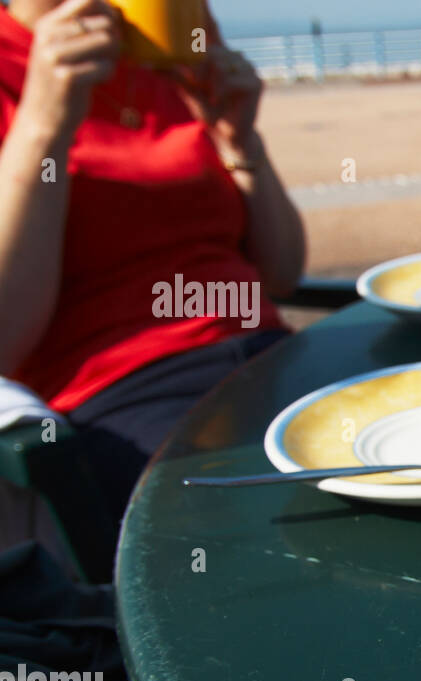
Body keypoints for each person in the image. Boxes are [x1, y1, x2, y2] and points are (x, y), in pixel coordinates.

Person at [0, 0, 305, 519]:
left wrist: (241, 142)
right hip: (121, 393)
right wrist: (43, 126)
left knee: (419, 451)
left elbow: (282, 273)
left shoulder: (160, 43)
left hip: (266, 354)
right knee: (269, 525)